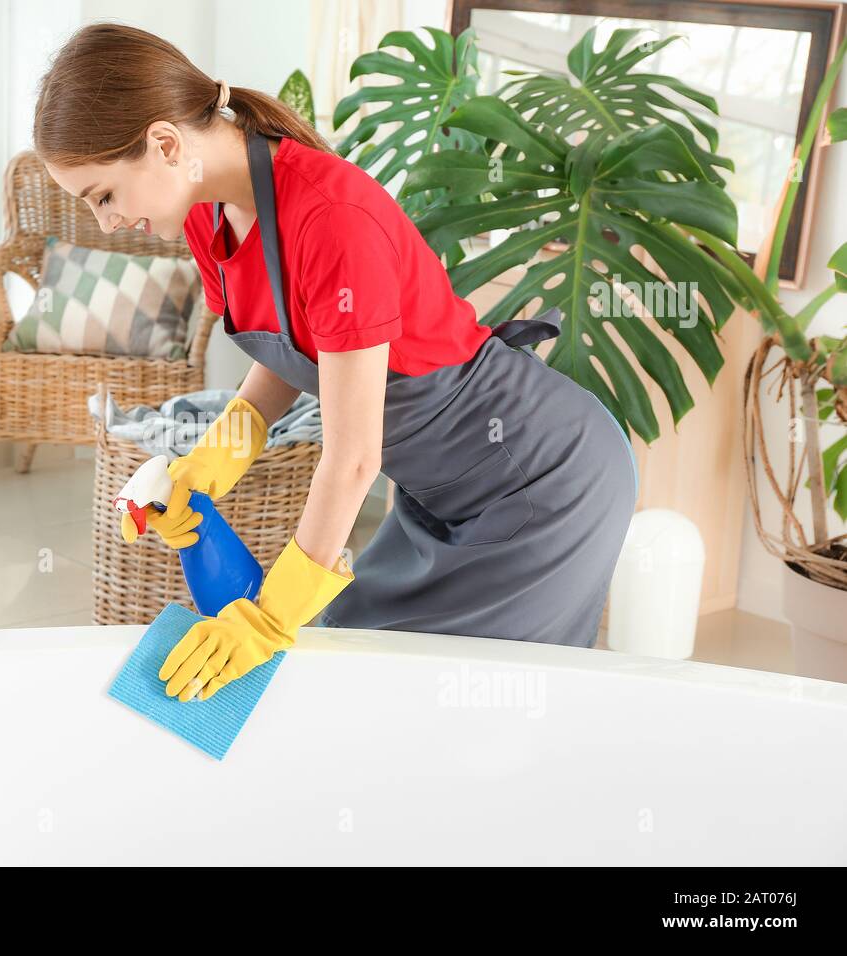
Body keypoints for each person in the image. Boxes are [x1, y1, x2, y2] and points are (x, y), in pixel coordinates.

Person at [34, 23, 638, 703]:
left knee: (477, 702)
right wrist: (204, 468)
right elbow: (293, 359)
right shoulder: (208, 217)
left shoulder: (330, 217)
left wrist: (268, 617)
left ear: (166, 145)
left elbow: (352, 458)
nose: (109, 221)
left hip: (542, 484)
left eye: (104, 196)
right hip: (439, 492)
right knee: (359, 667)